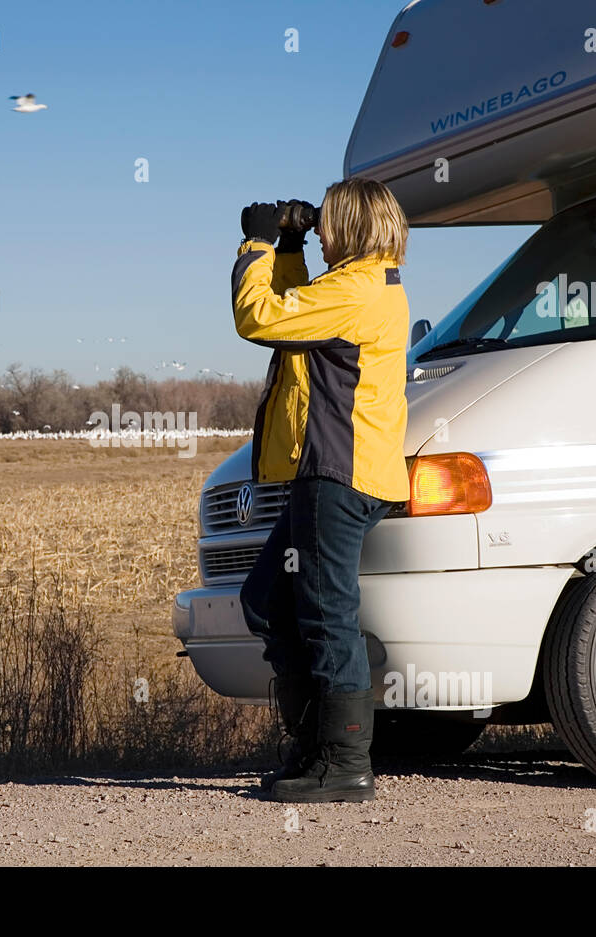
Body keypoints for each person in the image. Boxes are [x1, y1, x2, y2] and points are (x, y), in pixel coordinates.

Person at [232, 178, 411, 803]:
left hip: (339, 474)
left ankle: (344, 764)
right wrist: (289, 243)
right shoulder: (366, 286)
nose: (323, 229)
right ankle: (315, 747)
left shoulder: (358, 291)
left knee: (327, 616)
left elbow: (261, 317)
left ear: (355, 226)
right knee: (268, 604)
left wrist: (254, 245)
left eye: (329, 222)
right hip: (340, 473)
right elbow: (302, 309)